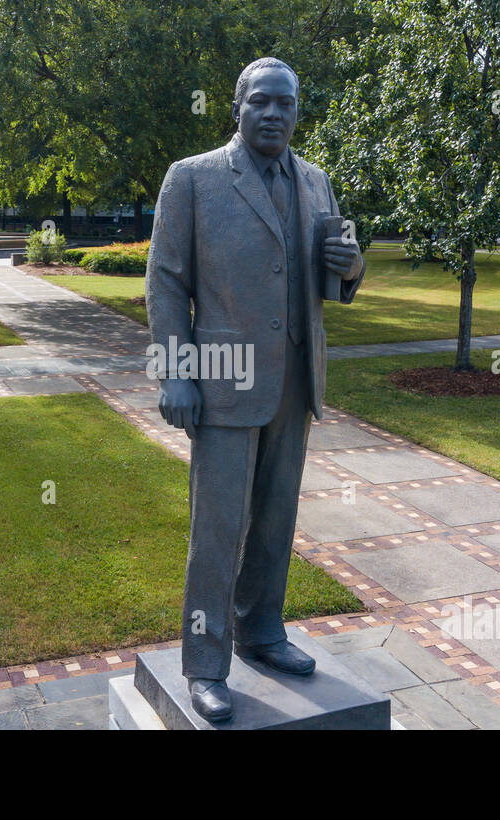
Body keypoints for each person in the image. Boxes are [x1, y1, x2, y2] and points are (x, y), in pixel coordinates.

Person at [145, 57, 364, 722]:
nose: (274, 114)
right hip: (223, 380)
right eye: (262, 102)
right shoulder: (194, 178)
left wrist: (351, 268)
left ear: (299, 112)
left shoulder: (316, 180)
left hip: (295, 383)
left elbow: (333, 272)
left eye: (287, 104)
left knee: (275, 522)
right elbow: (165, 282)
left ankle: (262, 632)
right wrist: (177, 372)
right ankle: (206, 664)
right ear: (237, 107)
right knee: (217, 530)